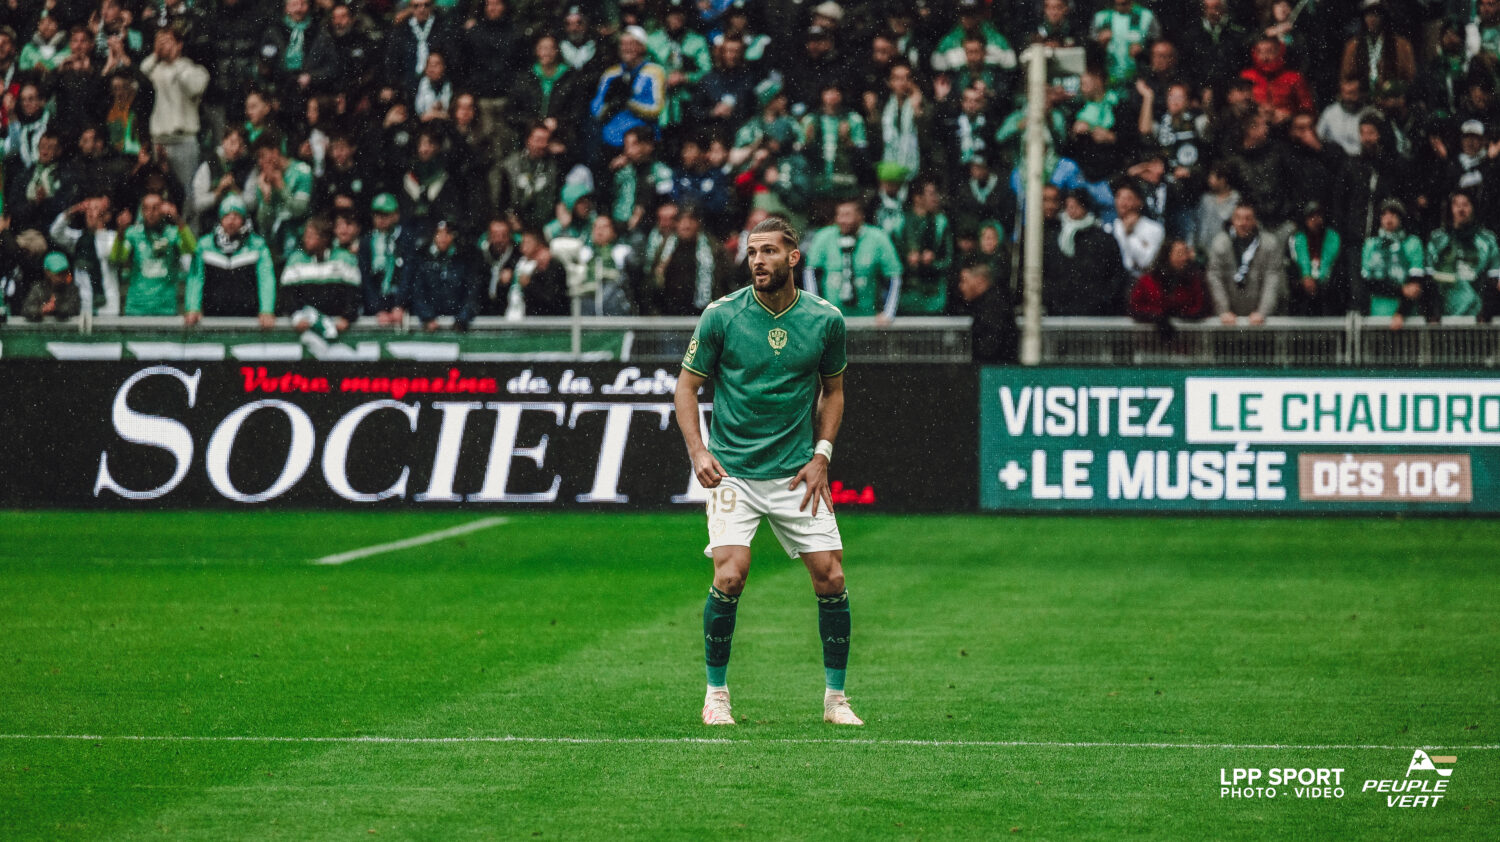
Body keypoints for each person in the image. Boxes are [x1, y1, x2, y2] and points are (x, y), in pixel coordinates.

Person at [673, 215, 860, 728]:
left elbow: (834, 391)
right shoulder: (722, 316)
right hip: (733, 470)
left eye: (770, 251)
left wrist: (822, 454)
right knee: (730, 575)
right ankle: (716, 695)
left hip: (797, 472)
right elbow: (685, 389)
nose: (758, 260)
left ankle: (836, 701)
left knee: (832, 577)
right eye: (753, 252)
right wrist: (699, 452)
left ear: (793, 258)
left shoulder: (825, 320)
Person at [801, 198, 901, 322]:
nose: (842, 220)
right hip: (831, 317)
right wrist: (815, 309)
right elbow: (810, 273)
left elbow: (893, 276)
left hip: (868, 317)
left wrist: (888, 313)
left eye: (847, 215)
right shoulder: (824, 236)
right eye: (839, 215)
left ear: (860, 216)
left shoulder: (878, 238)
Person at [185, 195, 276, 327]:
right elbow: (195, 279)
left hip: (248, 319)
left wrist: (267, 310)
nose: (232, 219)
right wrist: (193, 308)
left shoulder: (257, 246)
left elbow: (266, 279)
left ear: (244, 220)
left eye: (237, 215)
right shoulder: (205, 245)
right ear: (220, 219)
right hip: (212, 318)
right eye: (227, 215)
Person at [111, 191, 197, 315]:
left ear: (164, 209)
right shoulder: (133, 234)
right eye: (146, 208)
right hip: (137, 307)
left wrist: (178, 219)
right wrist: (120, 232)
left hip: (166, 307)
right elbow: (116, 258)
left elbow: (192, 249)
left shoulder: (173, 233)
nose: (150, 213)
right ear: (141, 211)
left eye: (155, 208)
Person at [279, 215, 361, 337]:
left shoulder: (344, 258)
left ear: (325, 238)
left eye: (312, 236)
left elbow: (354, 294)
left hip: (338, 328)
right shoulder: (295, 259)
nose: (306, 239)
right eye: (306, 235)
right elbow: (287, 296)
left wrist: (347, 317)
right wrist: (296, 317)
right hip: (306, 326)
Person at [1206, 202, 1284, 326]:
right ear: (1232, 220)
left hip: (1259, 318)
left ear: (1255, 221)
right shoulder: (1220, 243)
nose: (1243, 223)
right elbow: (1214, 277)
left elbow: (1272, 279)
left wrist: (1262, 312)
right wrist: (1223, 311)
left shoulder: (1269, 244)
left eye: (1248, 219)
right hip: (1228, 318)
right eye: (1238, 218)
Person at [1128, 238, 1211, 333]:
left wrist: (1180, 314)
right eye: (1179, 253)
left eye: (1186, 253)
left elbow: (1201, 307)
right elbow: (1134, 308)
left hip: (1186, 340)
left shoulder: (1194, 280)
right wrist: (1156, 316)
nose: (1184, 258)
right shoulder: (1147, 281)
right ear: (1167, 256)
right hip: (1150, 340)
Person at [410, 218, 478, 330]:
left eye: (447, 233)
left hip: (457, 322)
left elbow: (471, 293)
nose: (443, 238)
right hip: (431, 323)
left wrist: (462, 319)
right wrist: (427, 317)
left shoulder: (463, 259)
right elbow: (418, 292)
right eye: (439, 233)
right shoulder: (423, 258)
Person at [361, 193, 418, 325]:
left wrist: (400, 304)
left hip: (400, 303)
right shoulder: (367, 241)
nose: (380, 219)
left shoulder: (406, 238)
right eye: (377, 214)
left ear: (396, 215)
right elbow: (366, 278)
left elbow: (408, 273)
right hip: (377, 305)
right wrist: (377, 309)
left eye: (385, 214)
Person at [958, 255, 1017, 363]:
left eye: (964, 281)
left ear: (980, 280)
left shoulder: (993, 306)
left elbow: (989, 349)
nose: (961, 286)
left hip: (994, 373)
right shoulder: (987, 303)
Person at [21, 251, 80, 321]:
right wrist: (41, 310)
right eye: (58, 273)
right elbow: (26, 309)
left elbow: (72, 309)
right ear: (47, 272)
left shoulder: (71, 289)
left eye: (64, 272)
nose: (61, 277)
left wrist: (56, 307)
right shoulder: (38, 288)